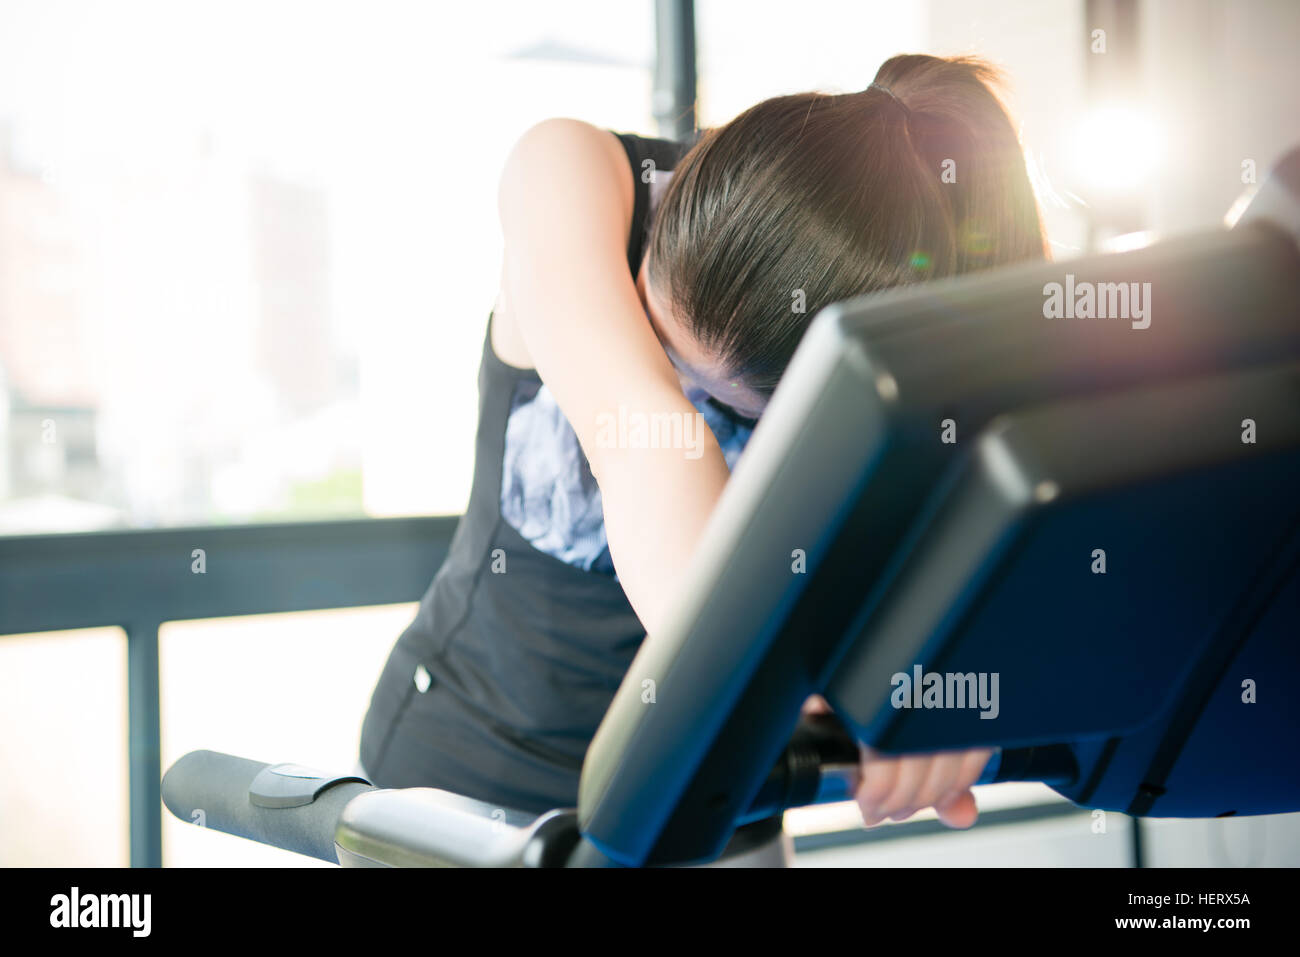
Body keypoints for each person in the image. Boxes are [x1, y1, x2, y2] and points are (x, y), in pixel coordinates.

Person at [358, 53, 1049, 861]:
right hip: (470, 775)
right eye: (658, 331)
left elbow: (976, 548)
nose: (679, 380)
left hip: (724, 800)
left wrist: (949, 688)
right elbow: (652, 443)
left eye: (730, 400)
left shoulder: (915, 360)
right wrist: (872, 693)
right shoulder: (573, 175)